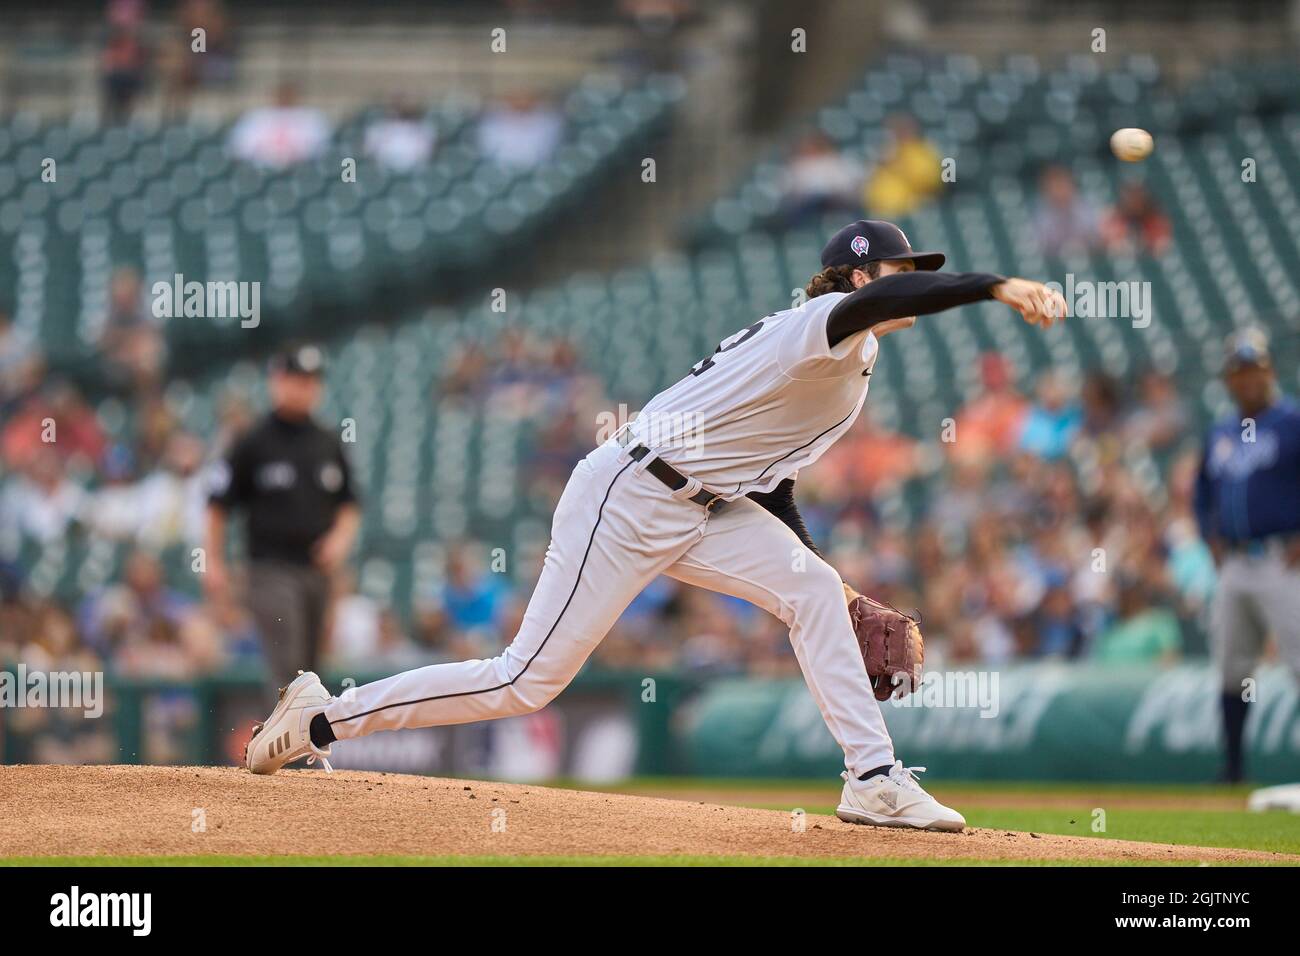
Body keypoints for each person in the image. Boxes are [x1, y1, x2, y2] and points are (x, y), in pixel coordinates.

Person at [244, 219, 1066, 832]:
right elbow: (885, 297)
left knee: (815, 590)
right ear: (855, 277)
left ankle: (873, 777)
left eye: (920, 271)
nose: (913, 280)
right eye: (899, 266)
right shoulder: (816, 329)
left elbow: (772, 489)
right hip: (629, 493)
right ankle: (323, 717)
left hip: (706, 504)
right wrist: (994, 285)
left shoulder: (853, 359)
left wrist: (839, 588)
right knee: (524, 681)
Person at [204, 344, 360, 699]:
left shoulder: (328, 442)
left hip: (317, 570)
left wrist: (340, 540)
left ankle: (301, 748)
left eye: (311, 380)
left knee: (313, 667)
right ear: (277, 381)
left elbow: (350, 503)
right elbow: (217, 504)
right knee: (287, 665)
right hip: (269, 569)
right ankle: (280, 750)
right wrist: (212, 561)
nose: (304, 387)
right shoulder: (252, 441)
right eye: (295, 378)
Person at [1194, 328, 1300, 782]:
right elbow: (1201, 493)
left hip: (1284, 559)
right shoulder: (1221, 430)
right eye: (1239, 371)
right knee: (1233, 668)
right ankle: (1233, 769)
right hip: (1235, 562)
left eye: (1254, 369)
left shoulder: (1291, 421)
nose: (1247, 379)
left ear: (1270, 372)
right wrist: (1208, 534)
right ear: (1229, 379)